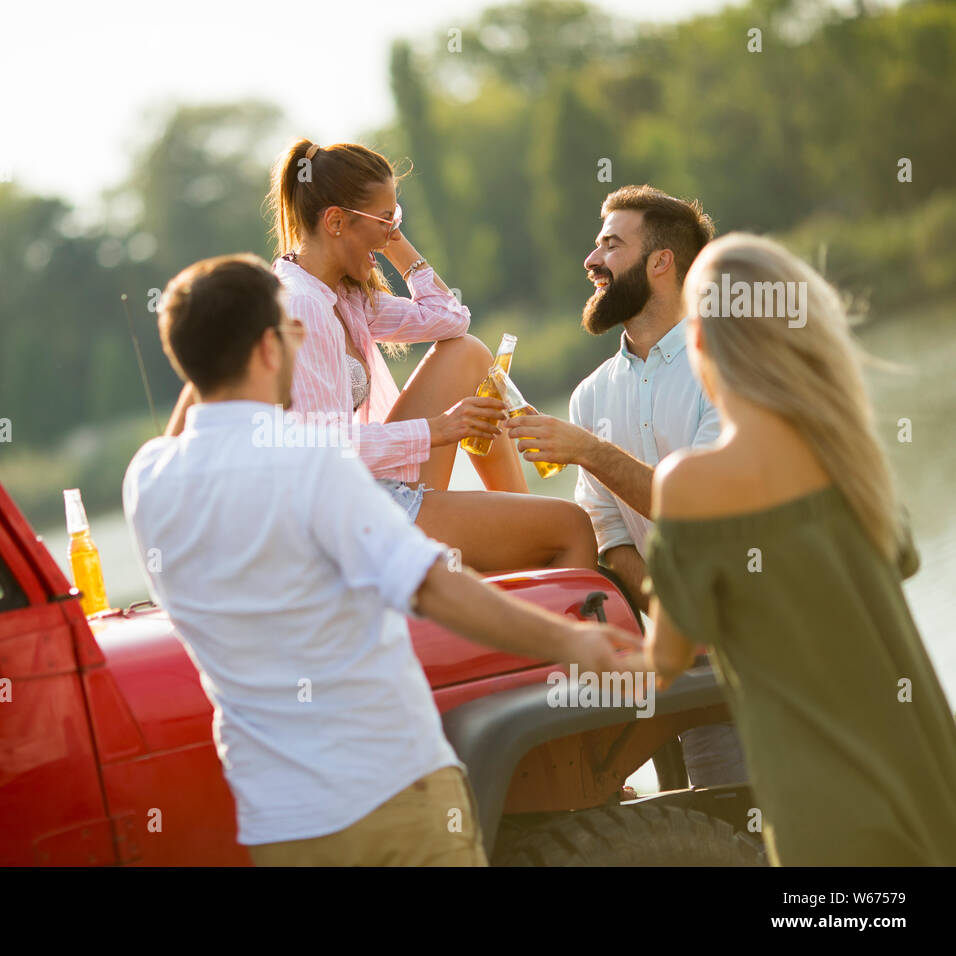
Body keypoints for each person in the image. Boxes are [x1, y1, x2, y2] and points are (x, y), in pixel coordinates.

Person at [126, 253, 641, 866]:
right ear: (265, 348)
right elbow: (435, 588)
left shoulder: (149, 479)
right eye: (291, 334)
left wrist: (217, 332)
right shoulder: (311, 462)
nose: (300, 344)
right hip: (391, 794)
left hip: (278, 826)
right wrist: (574, 644)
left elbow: (201, 400)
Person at [645, 233, 956, 865]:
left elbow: (664, 662)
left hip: (829, 829)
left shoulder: (689, 485)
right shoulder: (850, 454)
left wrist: (558, 651)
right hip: (935, 793)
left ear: (697, 339)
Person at [164, 139, 596, 573]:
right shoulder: (300, 305)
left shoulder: (344, 292)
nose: (392, 231)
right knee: (572, 526)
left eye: (397, 218)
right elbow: (320, 448)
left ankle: (521, 529)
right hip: (342, 508)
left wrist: (392, 242)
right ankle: (531, 553)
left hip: (367, 482)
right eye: (385, 219)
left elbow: (450, 319)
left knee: (468, 354)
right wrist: (439, 429)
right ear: (335, 221)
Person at [503, 185, 745, 789]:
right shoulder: (589, 395)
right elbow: (610, 541)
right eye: (596, 243)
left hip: (778, 648)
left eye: (611, 244)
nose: (592, 259)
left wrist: (587, 450)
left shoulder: (731, 359)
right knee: (724, 839)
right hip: (692, 670)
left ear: (661, 262)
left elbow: (701, 508)